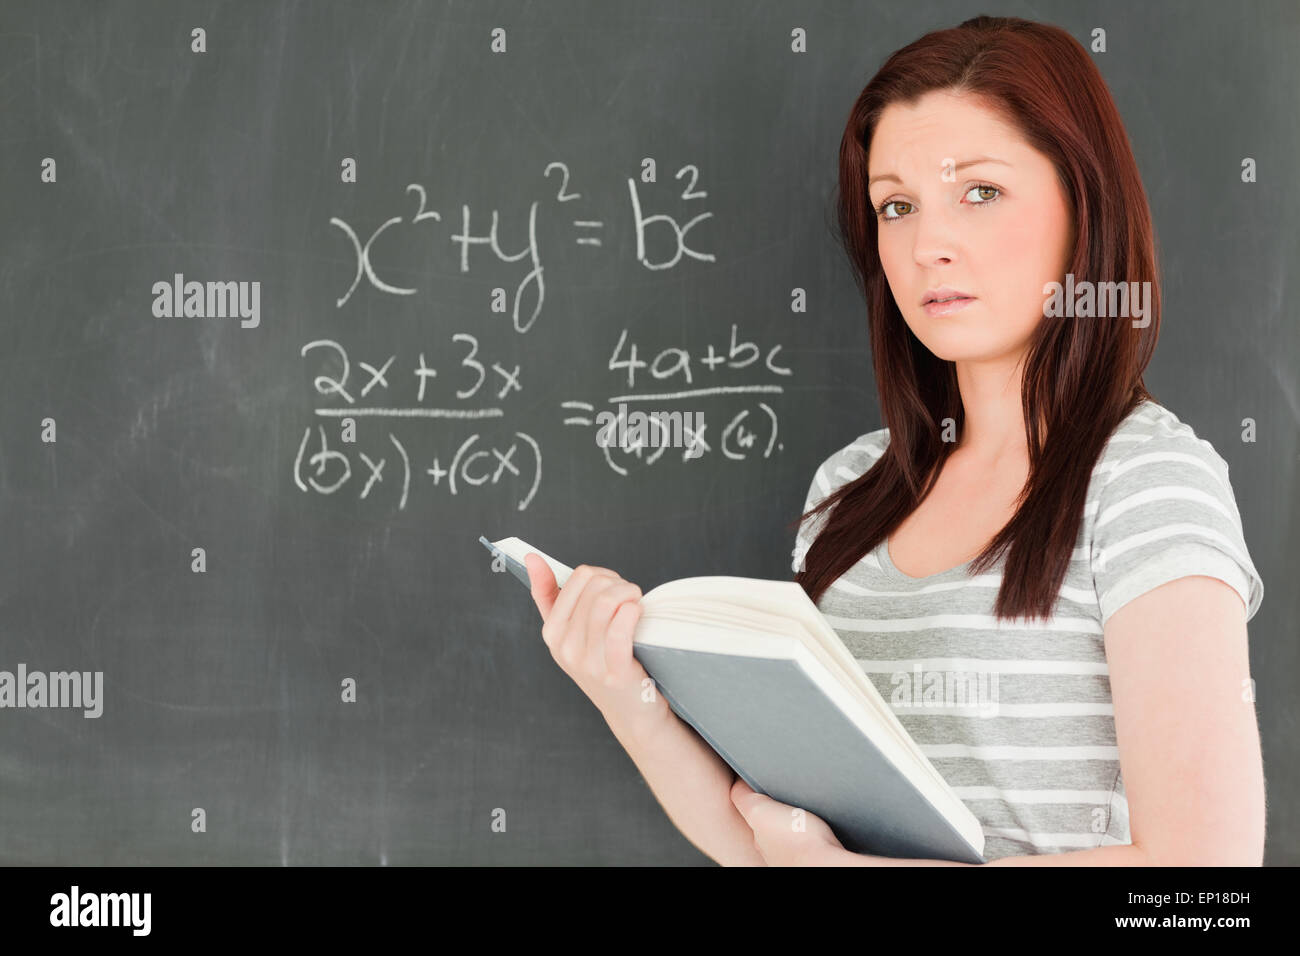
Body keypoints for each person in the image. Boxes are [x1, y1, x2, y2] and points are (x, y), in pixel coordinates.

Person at [524, 15, 1266, 866]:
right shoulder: (850, 490)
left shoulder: (1147, 484)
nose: (928, 246)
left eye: (979, 192)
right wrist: (622, 689)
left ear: (1082, 205)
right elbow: (765, 840)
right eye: (896, 206)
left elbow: (1201, 883)